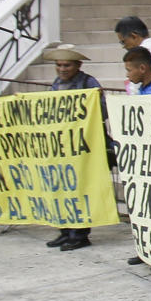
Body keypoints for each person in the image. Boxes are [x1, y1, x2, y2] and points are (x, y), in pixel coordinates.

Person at [42, 46, 104, 252]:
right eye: (58, 65)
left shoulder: (89, 83)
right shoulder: (56, 85)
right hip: (61, 146)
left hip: (81, 147)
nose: (62, 69)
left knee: (79, 189)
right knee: (62, 188)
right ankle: (65, 230)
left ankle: (79, 233)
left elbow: (101, 111)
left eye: (66, 65)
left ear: (77, 66)